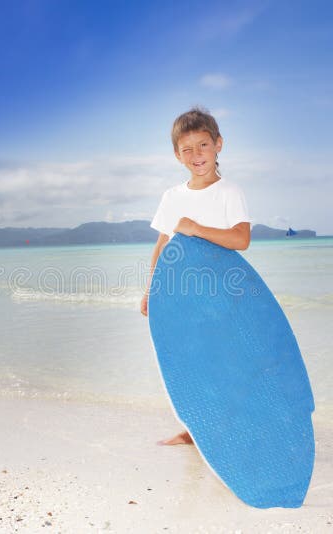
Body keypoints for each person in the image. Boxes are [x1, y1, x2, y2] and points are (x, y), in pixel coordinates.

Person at [140, 106, 252, 446]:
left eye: (203, 145)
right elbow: (162, 245)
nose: (196, 155)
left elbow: (241, 239)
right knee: (190, 362)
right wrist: (151, 290)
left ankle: (230, 426)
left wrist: (196, 229)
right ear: (177, 155)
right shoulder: (172, 197)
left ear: (218, 144)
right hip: (180, 294)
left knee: (222, 360)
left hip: (221, 294)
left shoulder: (229, 192)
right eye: (186, 149)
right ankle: (194, 430)